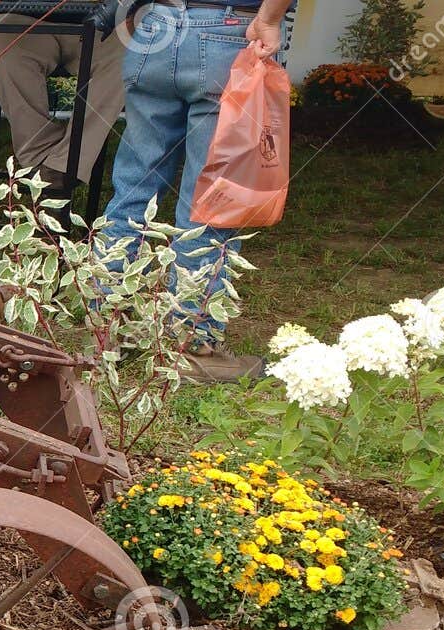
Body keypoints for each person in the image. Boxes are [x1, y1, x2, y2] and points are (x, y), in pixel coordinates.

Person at [101, 0, 293, 383]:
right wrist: (270, 18)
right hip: (230, 31)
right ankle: (194, 346)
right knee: (212, 200)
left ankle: (105, 330)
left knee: (132, 192)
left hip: (156, 27)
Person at [0, 1, 127, 194]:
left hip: (106, 22)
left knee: (131, 56)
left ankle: (63, 168)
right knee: (4, 46)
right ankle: (42, 163)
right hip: (27, 17)